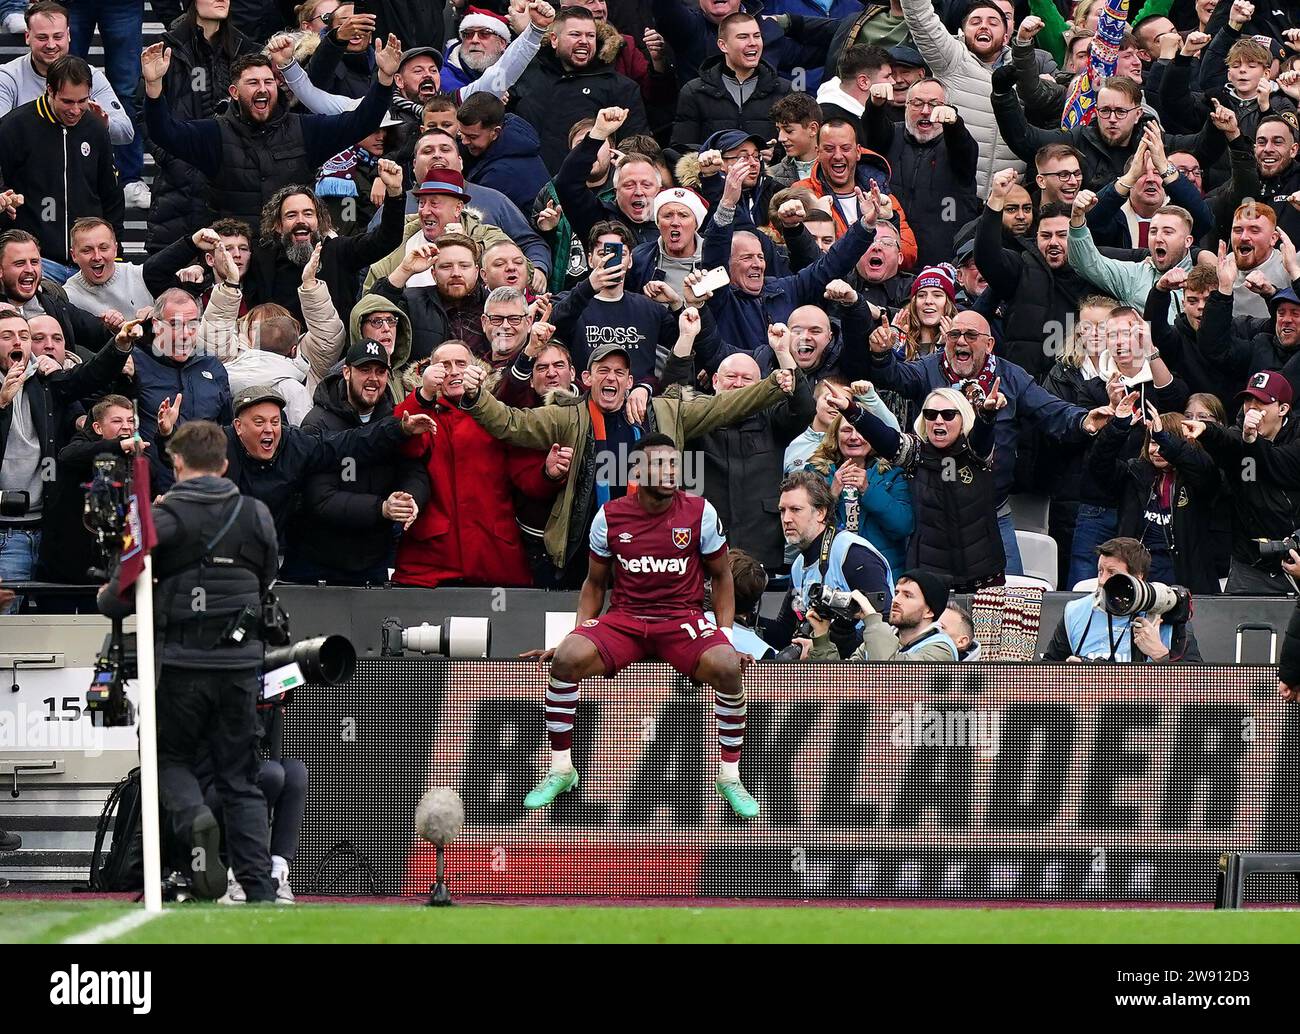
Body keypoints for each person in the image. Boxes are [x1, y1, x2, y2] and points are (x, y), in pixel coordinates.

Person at [521, 433, 761, 819]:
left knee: (728, 668)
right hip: (626, 619)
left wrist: (727, 637)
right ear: (636, 471)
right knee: (565, 660)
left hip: (682, 619)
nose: (669, 472)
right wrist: (577, 632)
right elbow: (595, 584)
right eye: (658, 464)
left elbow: (722, 577)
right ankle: (561, 768)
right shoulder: (610, 516)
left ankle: (729, 775)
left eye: (673, 464)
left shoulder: (701, 513)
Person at [96, 420, 280, 903]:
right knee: (241, 780)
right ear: (223, 464)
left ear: (176, 463)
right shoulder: (256, 514)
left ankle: (194, 816)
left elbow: (118, 593)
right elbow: (266, 578)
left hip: (180, 664)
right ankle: (260, 890)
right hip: (241, 667)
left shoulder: (164, 516)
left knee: (167, 757)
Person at [459, 338, 795, 585]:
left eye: (620, 372)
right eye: (602, 370)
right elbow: (510, 423)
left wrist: (772, 387)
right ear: (587, 379)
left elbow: (725, 407)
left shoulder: (665, 412)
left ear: (630, 382)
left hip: (654, 550)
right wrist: (476, 397)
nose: (612, 378)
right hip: (585, 550)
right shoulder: (567, 417)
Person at [141, 42, 398, 239]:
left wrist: (384, 80)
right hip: (237, 255)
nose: (262, 89)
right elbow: (165, 133)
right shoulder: (214, 134)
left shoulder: (305, 129)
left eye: (268, 82)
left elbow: (360, 123)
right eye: (252, 83)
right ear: (234, 92)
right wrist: (154, 88)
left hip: (292, 253)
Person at [392, 341, 561, 588]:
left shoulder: (496, 412)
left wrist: (548, 473)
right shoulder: (422, 409)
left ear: (475, 369)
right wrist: (424, 394)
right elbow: (399, 440)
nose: (454, 371)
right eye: (444, 366)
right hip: (432, 560)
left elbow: (524, 476)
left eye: (461, 364)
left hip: (492, 554)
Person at [0, 308, 132, 591]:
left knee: (44, 622)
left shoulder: (46, 382)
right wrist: (1, 406)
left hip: (45, 527)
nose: (17, 342)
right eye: (7, 336)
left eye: (23, 336)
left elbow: (88, 377)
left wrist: (118, 345)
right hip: (5, 530)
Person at [283, 338, 430, 585]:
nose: (373, 378)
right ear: (346, 372)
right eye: (365, 370)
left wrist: (410, 498)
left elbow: (414, 471)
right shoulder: (317, 422)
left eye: (380, 371)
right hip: (319, 561)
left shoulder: (396, 419)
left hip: (376, 557)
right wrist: (382, 508)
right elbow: (321, 499)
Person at [144, 0, 260, 254]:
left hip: (235, 182)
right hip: (179, 186)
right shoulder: (166, 50)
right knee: (175, 280)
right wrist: (170, 157)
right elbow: (144, 111)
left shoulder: (247, 50)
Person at [0, 54, 124, 276]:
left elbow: (111, 194)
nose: (75, 110)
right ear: (49, 90)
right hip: (38, 262)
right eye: (67, 101)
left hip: (88, 264)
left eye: (82, 101)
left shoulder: (95, 128)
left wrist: (116, 252)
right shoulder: (15, 127)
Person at [1088, 398, 1223, 592]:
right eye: (1152, 441)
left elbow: (1206, 470)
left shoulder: (1198, 479)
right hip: (1137, 578)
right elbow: (1098, 465)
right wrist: (1117, 426)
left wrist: (1165, 439)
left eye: (1163, 442)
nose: (1157, 450)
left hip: (1188, 582)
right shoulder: (1134, 473)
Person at [1184, 369, 1300, 595]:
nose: (1251, 411)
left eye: (1261, 404)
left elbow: (1279, 465)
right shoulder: (1241, 435)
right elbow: (1228, 440)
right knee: (1237, 626)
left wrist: (1252, 441)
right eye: (1248, 402)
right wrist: (1207, 429)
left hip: (1295, 561)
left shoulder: (1296, 438)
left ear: (1283, 409)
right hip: (1250, 564)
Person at [769, 469, 895, 657]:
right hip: (830, 660)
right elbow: (784, 631)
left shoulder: (852, 554)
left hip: (868, 667)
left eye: (795, 510)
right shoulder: (798, 565)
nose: (786, 519)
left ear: (820, 512)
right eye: (782, 510)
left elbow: (886, 621)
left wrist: (823, 643)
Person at [510, 5, 648, 172]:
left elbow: (634, 150)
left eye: (590, 36)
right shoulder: (524, 74)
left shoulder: (621, 88)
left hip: (594, 190)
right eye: (575, 34)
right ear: (554, 39)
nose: (584, 41)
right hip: (533, 184)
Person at [862, 76, 980, 269]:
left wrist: (954, 124)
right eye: (917, 104)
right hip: (890, 259)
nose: (925, 111)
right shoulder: (891, 136)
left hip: (942, 264)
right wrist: (875, 106)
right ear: (906, 106)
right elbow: (873, 132)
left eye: (934, 105)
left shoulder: (957, 145)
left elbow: (963, 147)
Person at [977, 177, 1086, 378]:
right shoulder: (1021, 266)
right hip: (1023, 387)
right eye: (1045, 236)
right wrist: (996, 200)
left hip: (1074, 390)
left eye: (1062, 235)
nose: (1053, 242)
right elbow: (987, 257)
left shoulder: (1092, 272)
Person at [1042, 536, 1203, 661]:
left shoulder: (1168, 611)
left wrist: (1160, 655)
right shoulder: (1076, 612)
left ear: (1138, 577)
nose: (1102, 580)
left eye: (1111, 573)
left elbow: (1200, 687)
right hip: (1090, 702)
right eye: (1100, 571)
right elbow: (1045, 672)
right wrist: (1066, 675)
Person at [0, 3, 136, 148]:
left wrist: (103, 124)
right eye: (42, 38)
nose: (51, 45)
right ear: (27, 36)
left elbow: (126, 132)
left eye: (58, 37)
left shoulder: (90, 75)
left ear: (69, 35)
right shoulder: (8, 77)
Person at [804, 403, 912, 575]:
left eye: (861, 430)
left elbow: (903, 526)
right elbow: (805, 527)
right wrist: (832, 493)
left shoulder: (892, 473)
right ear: (835, 436)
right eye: (846, 430)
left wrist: (868, 491)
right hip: (831, 571)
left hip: (882, 572)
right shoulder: (815, 473)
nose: (854, 437)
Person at [670, 11, 790, 151]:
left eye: (757, 36)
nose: (752, 43)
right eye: (743, 37)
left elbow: (796, 145)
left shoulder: (783, 90)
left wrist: (774, 155)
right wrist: (715, 161)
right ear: (723, 45)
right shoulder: (694, 92)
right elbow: (681, 150)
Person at [801, 568, 961, 661]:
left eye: (908, 595)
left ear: (929, 611)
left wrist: (871, 618)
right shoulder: (882, 637)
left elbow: (890, 677)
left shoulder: (941, 649)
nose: (896, 600)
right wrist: (822, 638)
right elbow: (842, 683)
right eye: (896, 592)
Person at [456, 92, 551, 217]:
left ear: (495, 132)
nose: (464, 141)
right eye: (461, 133)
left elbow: (477, 218)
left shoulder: (500, 175)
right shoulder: (513, 146)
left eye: (472, 136)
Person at [62, 218, 156, 323]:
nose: (97, 257)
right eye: (87, 250)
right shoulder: (68, 297)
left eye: (103, 248)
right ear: (74, 255)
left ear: (115, 249)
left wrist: (158, 315)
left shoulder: (141, 276)